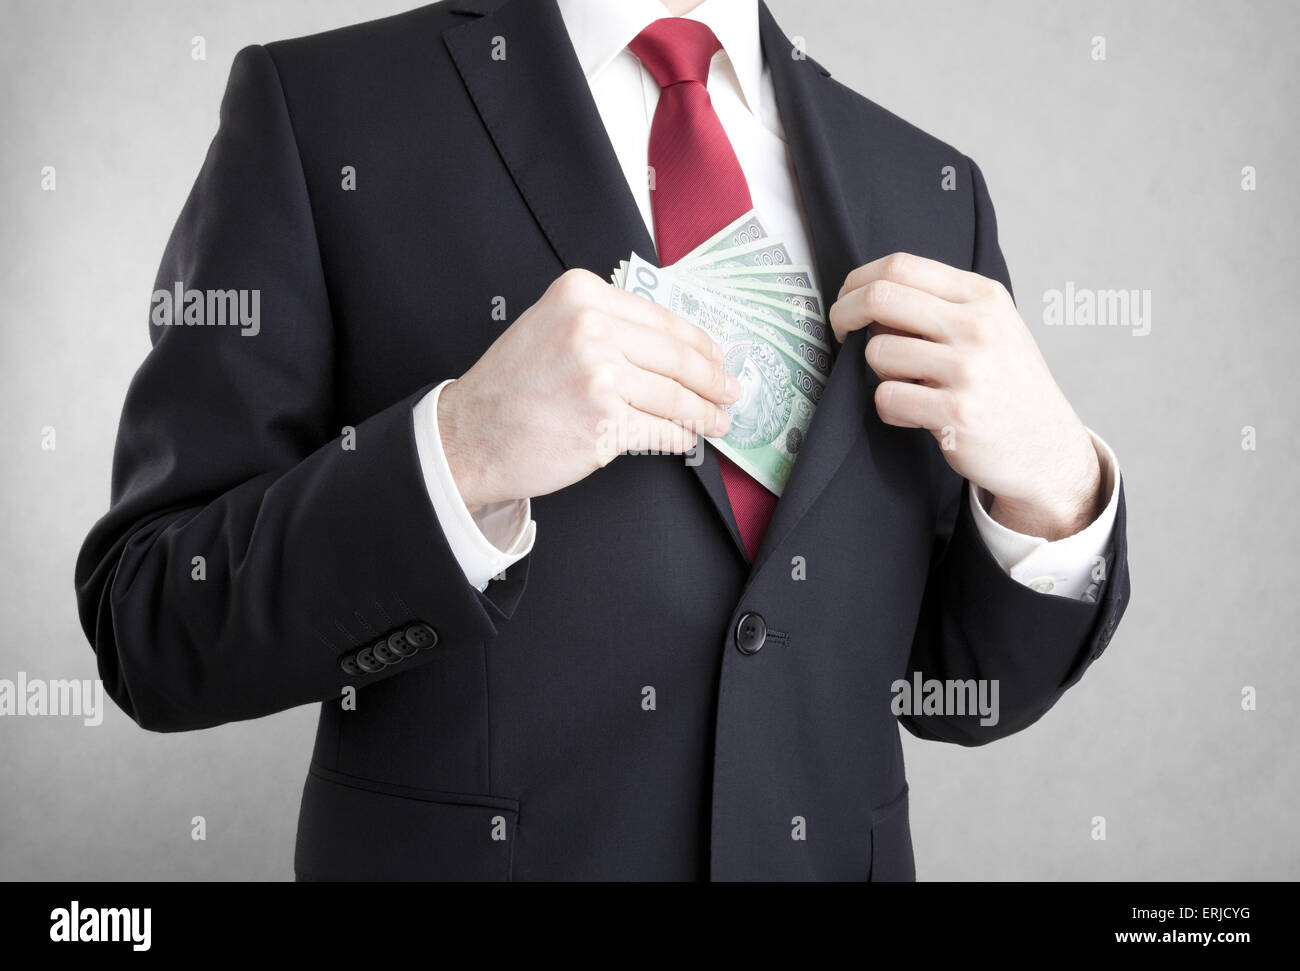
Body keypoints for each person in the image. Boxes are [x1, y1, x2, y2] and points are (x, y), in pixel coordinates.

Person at [75, 0, 1130, 881]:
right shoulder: (322, 111)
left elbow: (957, 682)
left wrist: (1054, 492)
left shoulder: (930, 187)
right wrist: (458, 451)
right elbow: (152, 622)